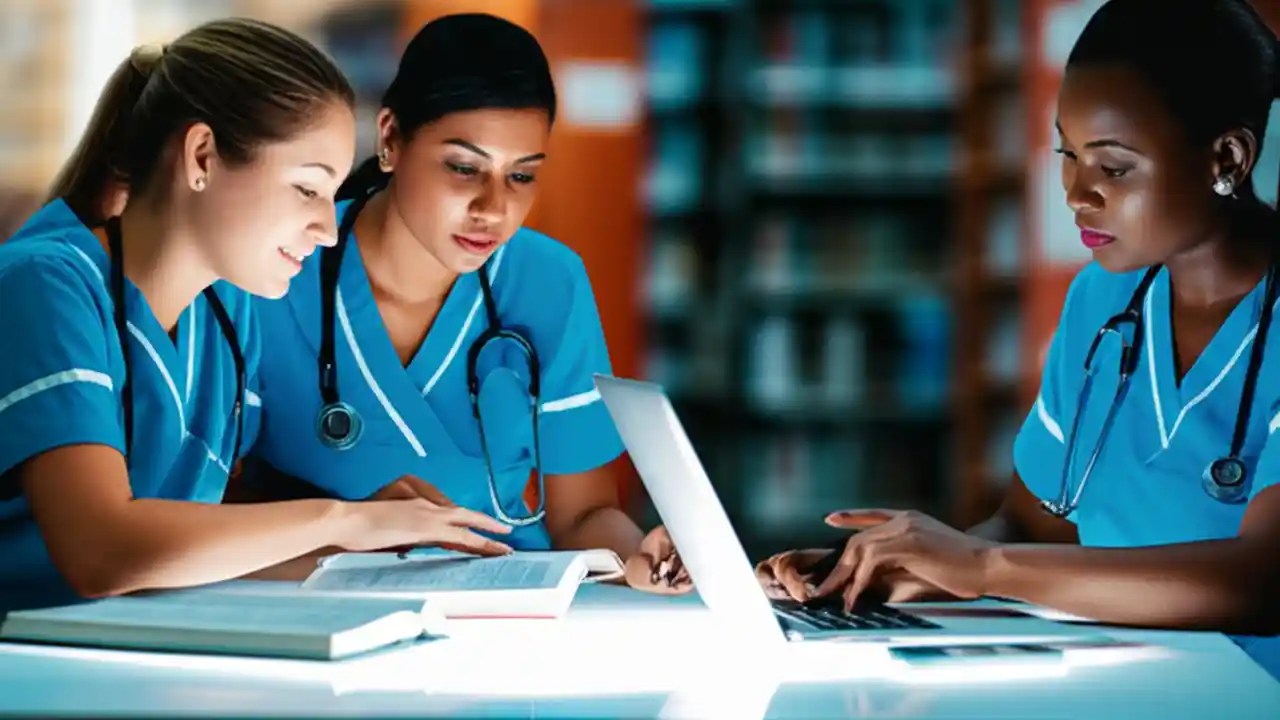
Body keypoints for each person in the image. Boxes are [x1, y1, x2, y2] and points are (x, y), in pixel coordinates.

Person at [756, 0, 1280, 678]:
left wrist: (984, 567)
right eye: (1067, 153)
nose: (1076, 192)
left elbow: (1262, 583)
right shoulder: (1103, 302)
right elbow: (1032, 529)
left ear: (1228, 157)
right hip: (1122, 685)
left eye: (1114, 168)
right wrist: (902, 569)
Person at [0, 18, 512, 609]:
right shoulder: (46, 287)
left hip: (112, 657)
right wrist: (340, 521)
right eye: (307, 189)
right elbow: (103, 550)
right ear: (202, 157)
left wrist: (365, 546)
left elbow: (197, 529)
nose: (326, 231)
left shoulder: (225, 312)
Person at [237, 14, 689, 594]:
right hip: (307, 607)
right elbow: (206, 504)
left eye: (522, 176)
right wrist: (339, 531)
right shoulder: (277, 271)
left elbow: (582, 517)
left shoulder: (548, 282)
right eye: (463, 167)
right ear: (391, 139)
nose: (493, 208)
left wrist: (637, 556)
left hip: (501, 618)